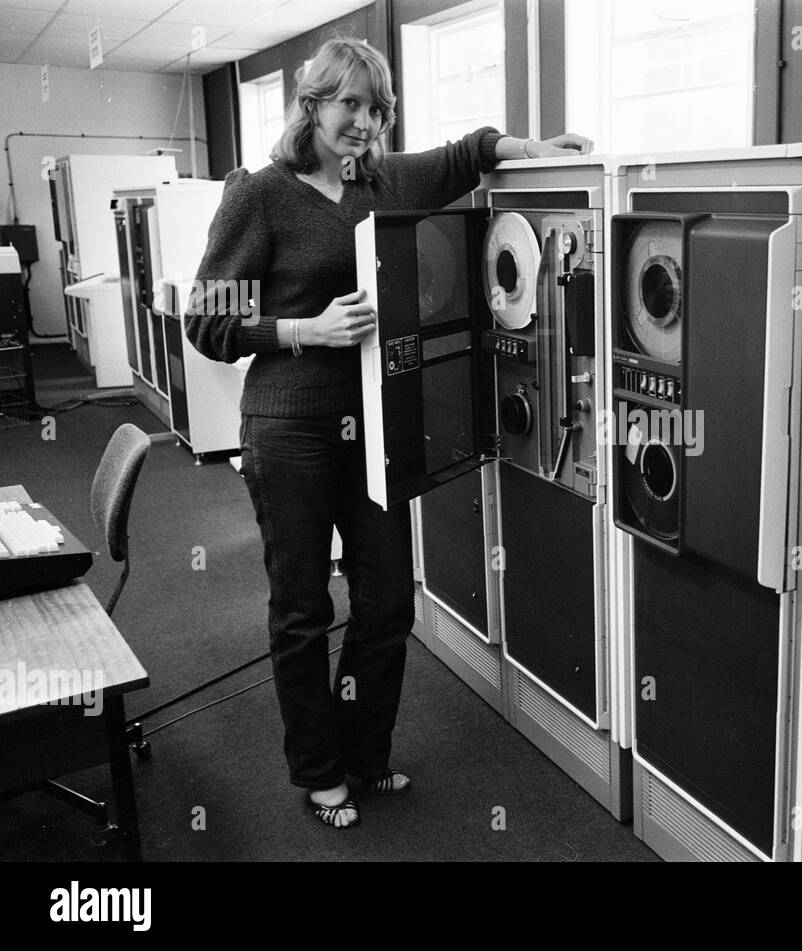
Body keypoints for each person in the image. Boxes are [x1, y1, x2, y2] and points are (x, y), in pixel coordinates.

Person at [185, 36, 592, 828]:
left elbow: (465, 154)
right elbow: (208, 319)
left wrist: (531, 147)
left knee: (384, 603)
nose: (365, 123)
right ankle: (318, 769)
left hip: (372, 431)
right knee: (302, 608)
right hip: (289, 428)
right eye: (350, 106)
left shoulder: (383, 181)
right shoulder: (259, 195)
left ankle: (366, 754)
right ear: (312, 107)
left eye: (378, 110)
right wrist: (307, 330)